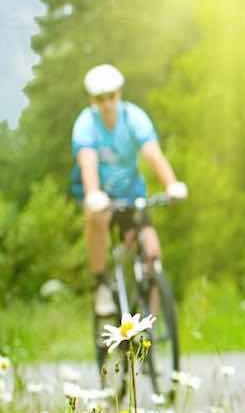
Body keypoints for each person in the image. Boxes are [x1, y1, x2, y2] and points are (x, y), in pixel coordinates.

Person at [71, 64, 187, 316]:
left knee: (152, 253)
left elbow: (153, 154)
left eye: (111, 96)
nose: (107, 104)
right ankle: (101, 283)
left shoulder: (134, 117)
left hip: (131, 192)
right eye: (100, 99)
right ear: (93, 100)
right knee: (97, 218)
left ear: (119, 93)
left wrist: (171, 184)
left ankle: (151, 324)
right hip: (99, 194)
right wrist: (93, 193)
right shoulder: (85, 124)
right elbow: (87, 161)